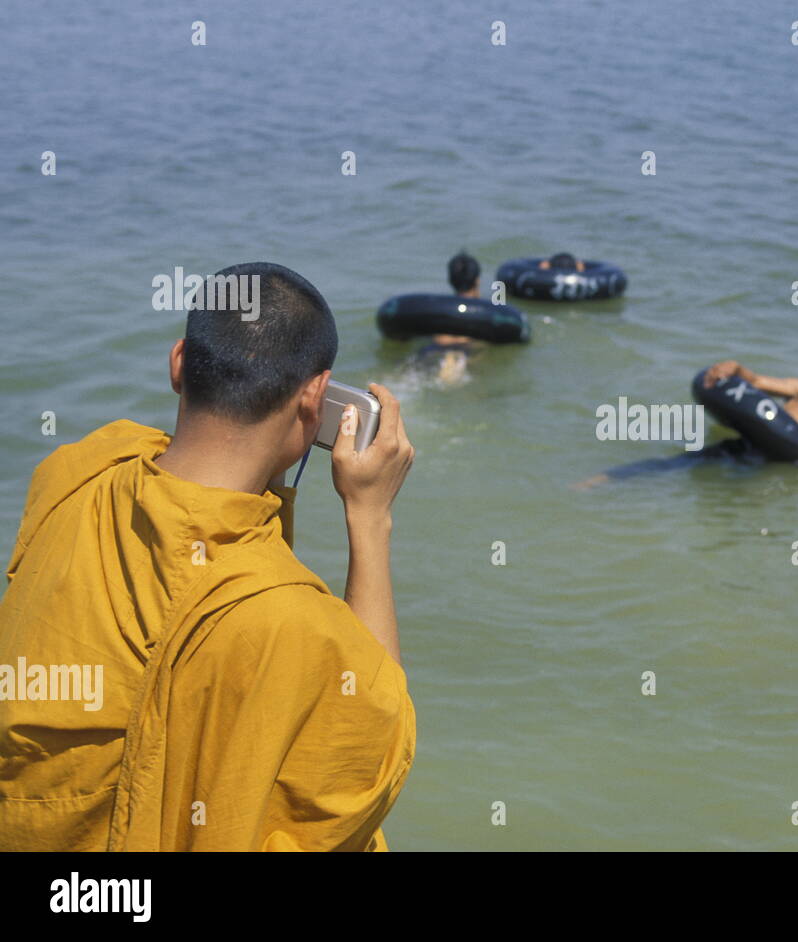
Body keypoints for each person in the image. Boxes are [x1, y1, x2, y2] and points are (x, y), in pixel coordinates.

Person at [0, 262, 417, 851]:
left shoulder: (71, 477)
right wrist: (369, 517)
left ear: (178, 363)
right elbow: (367, 760)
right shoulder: (291, 620)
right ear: (316, 399)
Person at [574, 350, 798, 488]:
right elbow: (758, 383)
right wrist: (737, 368)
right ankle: (606, 478)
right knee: (677, 465)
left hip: (774, 467)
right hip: (747, 448)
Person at [420, 250, 481, 384]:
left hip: (433, 350)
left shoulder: (438, 310)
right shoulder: (484, 314)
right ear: (477, 280)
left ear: (451, 281)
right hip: (467, 352)